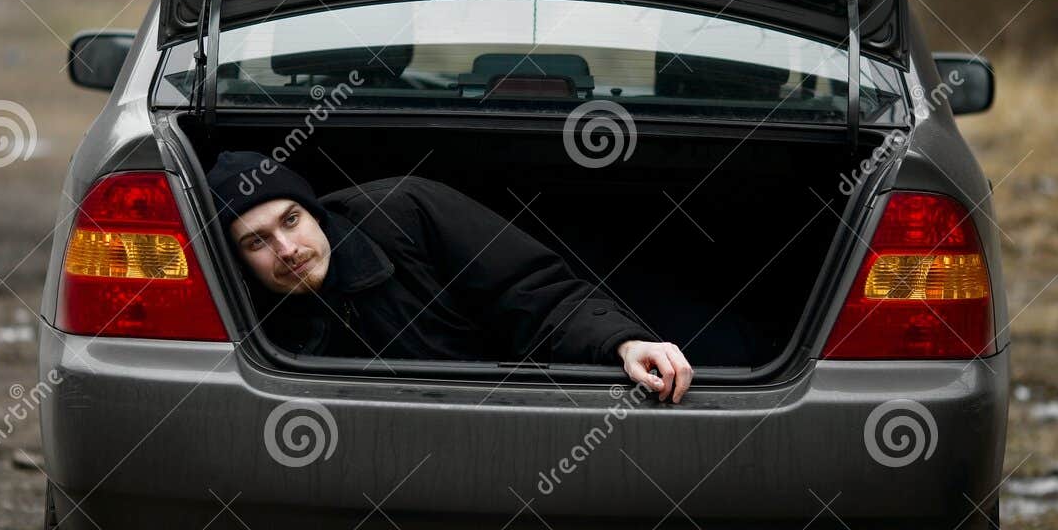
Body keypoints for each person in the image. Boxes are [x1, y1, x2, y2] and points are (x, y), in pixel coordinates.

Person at [205, 151, 694, 402]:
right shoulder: (239, 309)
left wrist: (623, 343)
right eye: (257, 242)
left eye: (291, 220)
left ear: (315, 212)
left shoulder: (405, 212)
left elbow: (531, 292)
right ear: (237, 261)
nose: (287, 249)